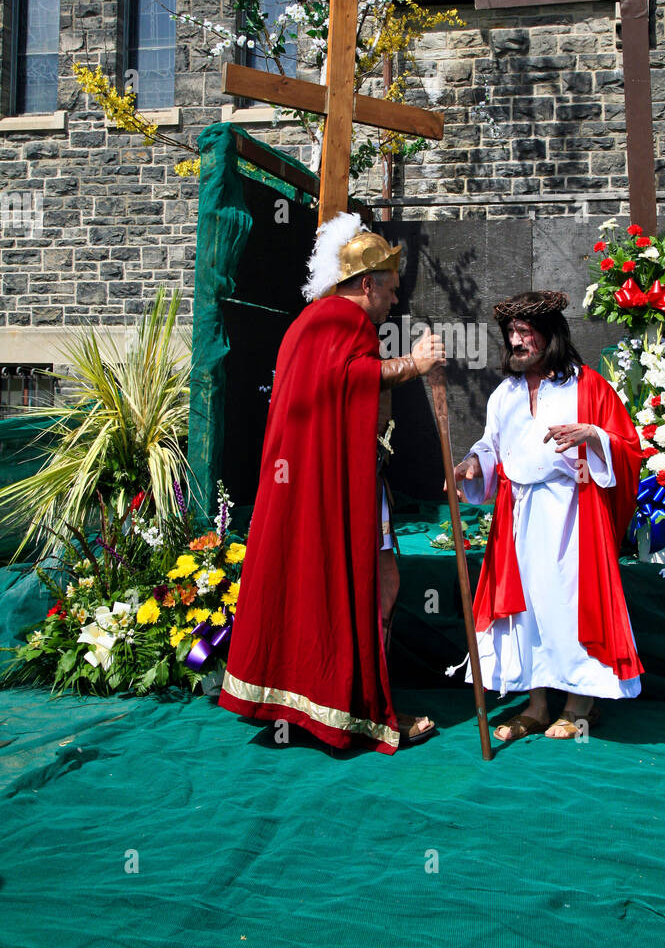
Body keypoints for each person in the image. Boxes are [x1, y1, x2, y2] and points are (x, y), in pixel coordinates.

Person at [218, 213, 445, 754]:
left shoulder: (318, 323)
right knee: (371, 584)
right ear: (366, 284)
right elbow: (346, 381)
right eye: (389, 290)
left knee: (378, 582)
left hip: (345, 475)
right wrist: (412, 365)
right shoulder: (334, 322)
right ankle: (359, 710)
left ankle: (340, 701)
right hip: (333, 483)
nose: (394, 302)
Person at [454, 290, 643, 741]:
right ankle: (537, 706)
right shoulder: (505, 394)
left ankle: (580, 704)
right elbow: (491, 446)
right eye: (511, 333)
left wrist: (592, 434)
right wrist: (472, 464)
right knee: (528, 612)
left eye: (525, 332)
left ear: (550, 335)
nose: (516, 341)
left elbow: (629, 448)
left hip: (573, 514)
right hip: (519, 515)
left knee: (568, 606)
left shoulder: (587, 385)